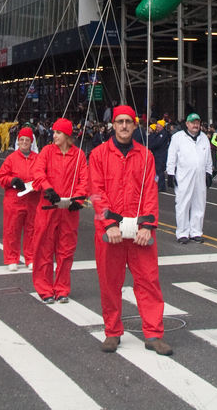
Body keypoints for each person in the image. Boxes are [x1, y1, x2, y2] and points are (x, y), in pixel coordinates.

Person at [89, 106, 170, 356]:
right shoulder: (99, 155)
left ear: (135, 126)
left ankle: (153, 334)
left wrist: (147, 226)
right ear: (113, 125)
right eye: (120, 122)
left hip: (139, 231)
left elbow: (150, 193)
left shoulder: (146, 156)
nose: (124, 126)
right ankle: (112, 331)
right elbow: (96, 191)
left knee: (148, 282)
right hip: (110, 232)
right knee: (109, 283)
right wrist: (109, 224)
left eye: (128, 122)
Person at [30, 118, 89, 301]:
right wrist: (48, 189)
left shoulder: (79, 155)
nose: (54, 135)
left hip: (68, 210)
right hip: (48, 208)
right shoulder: (47, 152)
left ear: (67, 135)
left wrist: (78, 198)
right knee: (44, 249)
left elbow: (84, 180)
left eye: (58, 132)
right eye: (54, 132)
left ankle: (62, 289)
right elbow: (38, 172)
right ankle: (45, 289)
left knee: (66, 250)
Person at [0, 127, 41, 270]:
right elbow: (1, 177)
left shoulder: (38, 159)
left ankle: (31, 258)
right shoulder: (11, 158)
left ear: (31, 142)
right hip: (14, 200)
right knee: (12, 230)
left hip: (32, 200)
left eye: (27, 140)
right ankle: (11, 259)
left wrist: (37, 185)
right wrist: (12, 180)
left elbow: (43, 177)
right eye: (22, 140)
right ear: (18, 141)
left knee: (32, 230)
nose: (24, 142)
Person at [166, 112, 212, 243]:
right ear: (187, 124)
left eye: (197, 123)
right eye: (193, 123)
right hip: (184, 176)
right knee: (183, 203)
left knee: (199, 203)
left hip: (200, 176)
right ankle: (182, 233)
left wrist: (209, 172)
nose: (195, 125)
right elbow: (172, 156)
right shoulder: (178, 137)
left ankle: (196, 231)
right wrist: (170, 173)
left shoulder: (204, 138)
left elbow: (208, 157)